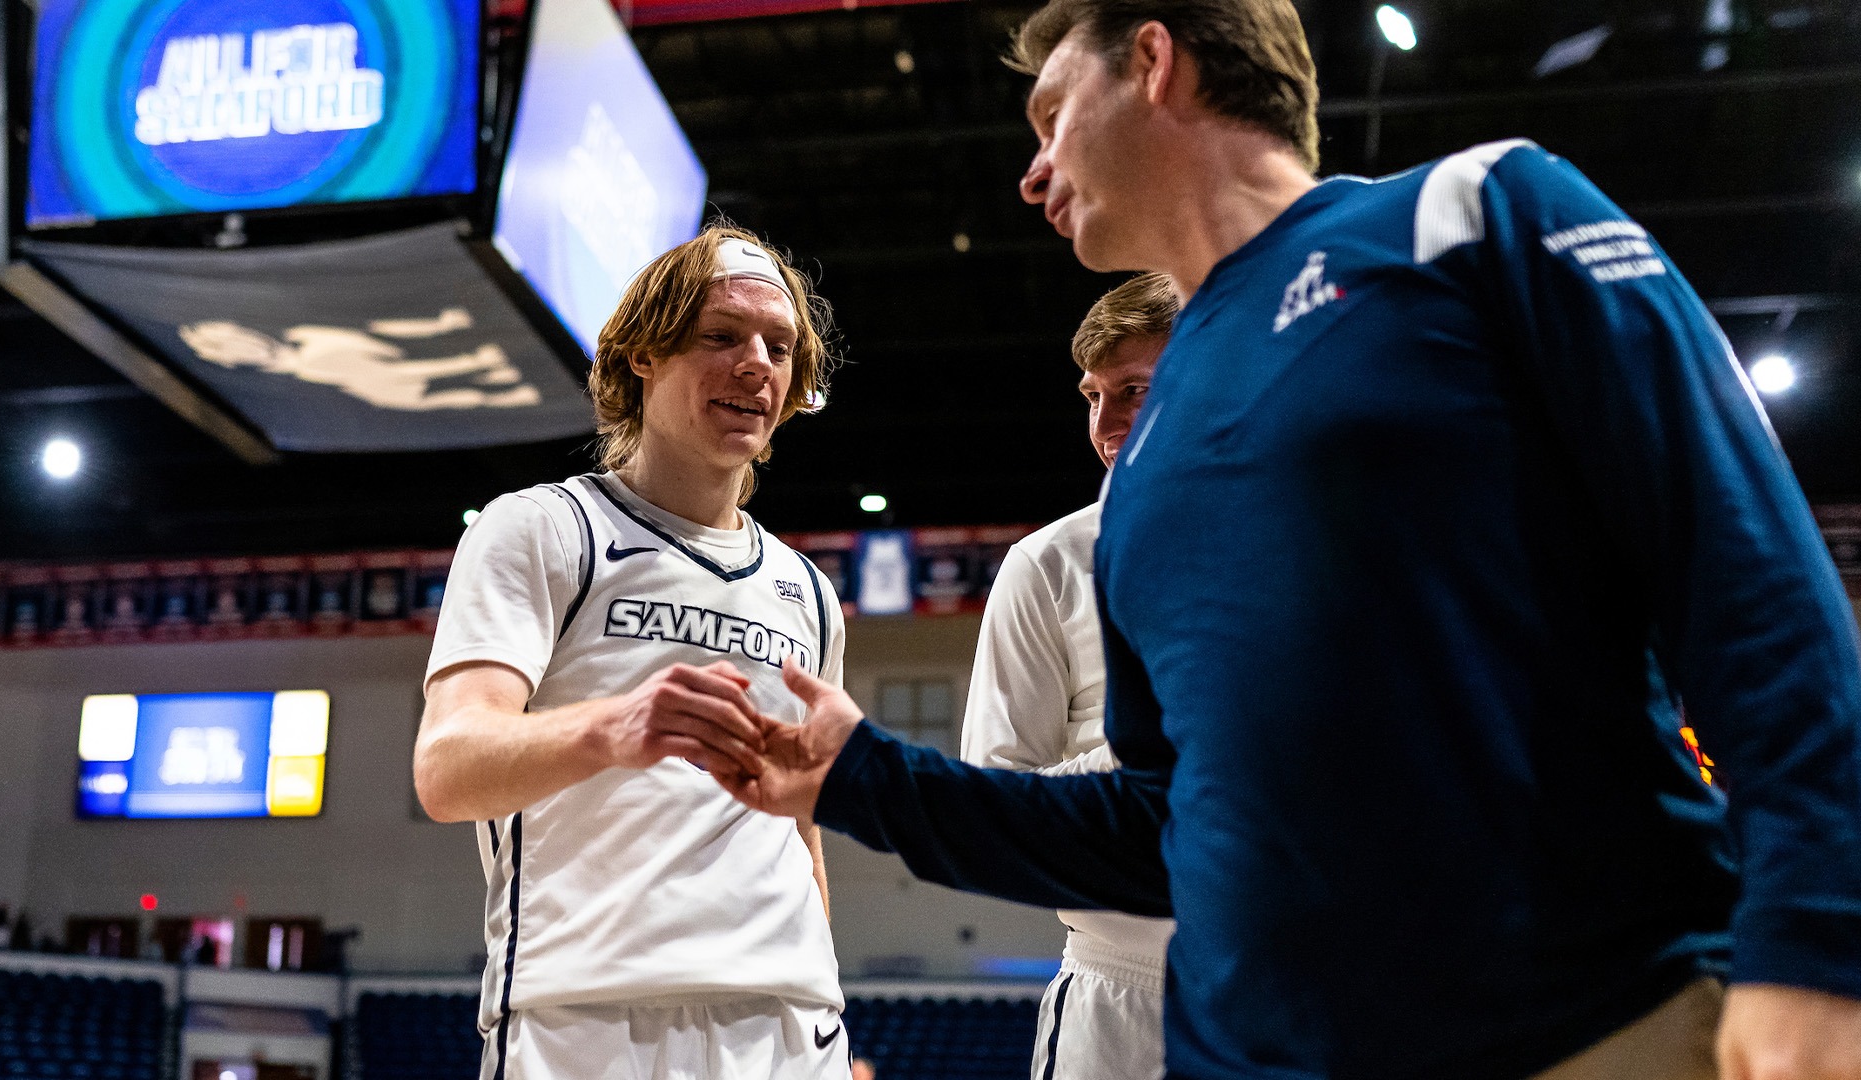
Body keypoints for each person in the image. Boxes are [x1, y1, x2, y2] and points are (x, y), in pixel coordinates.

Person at [698, 2, 1861, 1079]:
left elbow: (1747, 575)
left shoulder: (1475, 212)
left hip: (1590, 1026)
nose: (1031, 170)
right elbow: (1164, 819)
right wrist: (868, 778)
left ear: (1154, 61)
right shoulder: (1145, 465)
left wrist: (1814, 941)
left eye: (1052, 114)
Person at [414, 225, 853, 1080]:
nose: (757, 364)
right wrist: (613, 727)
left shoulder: (808, 589)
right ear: (644, 354)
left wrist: (824, 995)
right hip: (586, 1019)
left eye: (779, 346)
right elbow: (447, 769)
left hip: (788, 1029)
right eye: (721, 336)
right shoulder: (543, 529)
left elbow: (802, 828)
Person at [959, 273, 1178, 1080]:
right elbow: (990, 816)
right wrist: (1146, 754)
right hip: (1122, 993)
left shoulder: (1312, 534)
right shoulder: (1048, 565)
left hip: (1296, 981)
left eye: (1134, 390)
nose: (1106, 423)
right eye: (1093, 394)